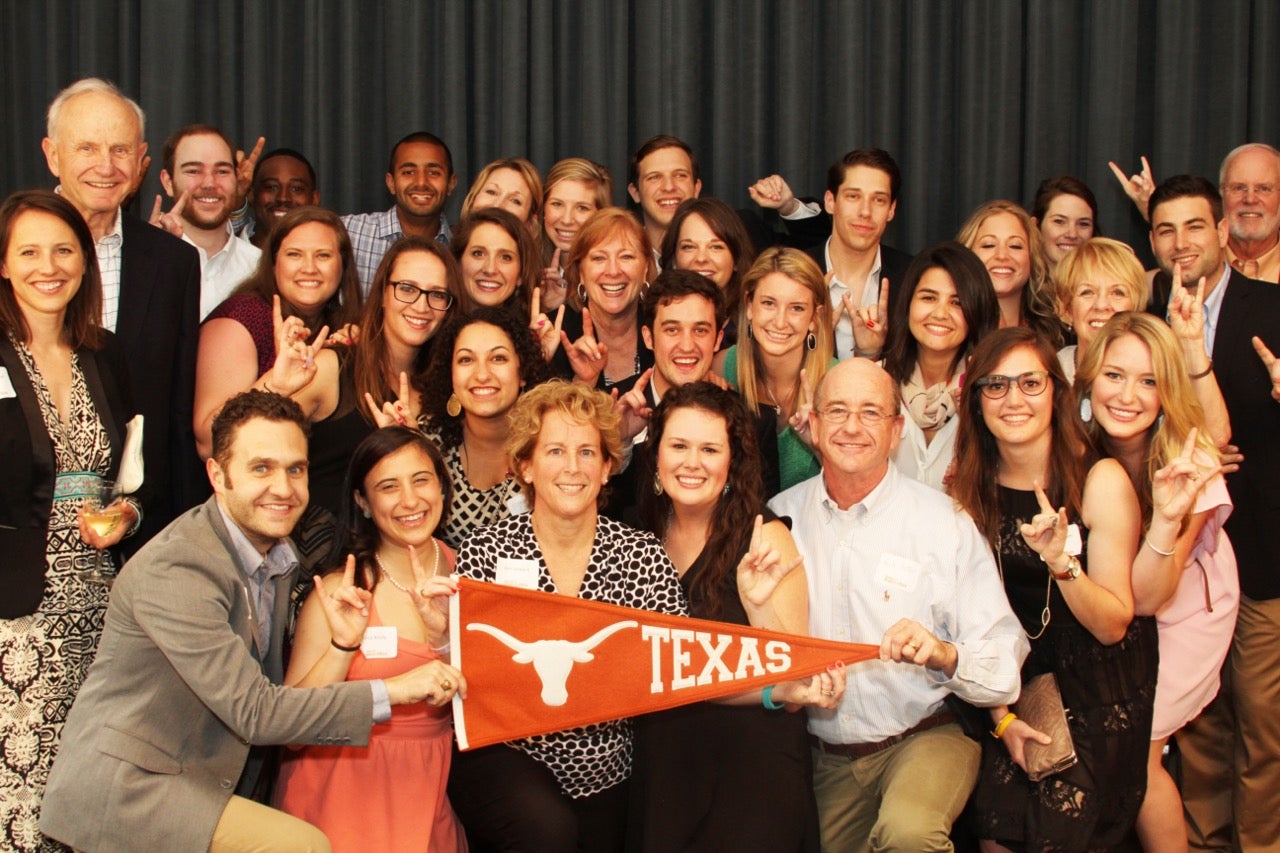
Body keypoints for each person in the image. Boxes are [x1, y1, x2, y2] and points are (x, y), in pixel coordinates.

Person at [39, 390, 462, 852]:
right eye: (261, 468)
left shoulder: (278, 556)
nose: (282, 488)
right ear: (218, 476)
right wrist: (399, 688)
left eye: (295, 469)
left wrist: (345, 647)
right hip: (133, 790)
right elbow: (257, 712)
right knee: (303, 845)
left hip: (208, 782)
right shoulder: (180, 567)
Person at [768, 357, 1027, 851]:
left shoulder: (942, 521)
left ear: (896, 431)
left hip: (925, 734)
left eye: (870, 413)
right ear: (815, 426)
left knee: (908, 834)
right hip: (823, 756)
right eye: (837, 411)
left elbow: (1003, 656)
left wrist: (942, 653)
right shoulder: (780, 520)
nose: (851, 427)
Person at [448, 380, 687, 852]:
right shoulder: (484, 553)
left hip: (610, 775)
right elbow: (468, 673)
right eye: (554, 451)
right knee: (547, 831)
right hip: (509, 761)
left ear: (606, 469)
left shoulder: (641, 554)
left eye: (587, 452)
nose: (572, 467)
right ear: (526, 466)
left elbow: (675, 663)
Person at [950, 327, 1155, 851]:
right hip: (1009, 686)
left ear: (1057, 394)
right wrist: (1000, 715)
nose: (1013, 399)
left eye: (1029, 383)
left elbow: (1113, 625)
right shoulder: (965, 488)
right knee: (995, 837)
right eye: (995, 385)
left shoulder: (1099, 480)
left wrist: (1061, 563)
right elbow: (961, 618)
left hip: (1095, 687)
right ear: (975, 401)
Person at [629, 382, 843, 851]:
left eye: (709, 449)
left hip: (750, 778)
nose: (692, 462)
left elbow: (794, 689)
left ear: (731, 464)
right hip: (662, 776)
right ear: (657, 457)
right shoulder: (633, 535)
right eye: (679, 446)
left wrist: (760, 606)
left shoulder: (765, 541)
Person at [0, 190, 146, 850]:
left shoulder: (105, 353)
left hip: (97, 606)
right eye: (28, 251)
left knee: (87, 787)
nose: (47, 266)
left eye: (63, 250)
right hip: (12, 615)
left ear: (85, 264)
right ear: (4, 264)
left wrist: (127, 514)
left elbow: (133, 473)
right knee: (20, 792)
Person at [1143, 175, 1280, 851]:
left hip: (1260, 552)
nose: (1180, 243)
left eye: (1194, 226)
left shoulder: (1274, 307)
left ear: (1222, 231)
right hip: (1174, 556)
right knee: (1192, 729)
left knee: (1262, 726)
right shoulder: (1138, 310)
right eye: (1165, 230)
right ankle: (1200, 840)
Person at [1074, 312, 1234, 852]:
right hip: (1118, 609)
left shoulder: (1191, 461)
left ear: (1168, 392)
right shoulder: (1074, 446)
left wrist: (1166, 519)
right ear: (1090, 377)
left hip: (1188, 609)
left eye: (1148, 381)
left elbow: (1146, 598)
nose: (1128, 395)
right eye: (1114, 375)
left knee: (1141, 746)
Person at [274, 427, 467, 852]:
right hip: (339, 790)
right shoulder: (341, 590)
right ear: (362, 501)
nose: (410, 501)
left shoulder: (471, 573)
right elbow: (290, 727)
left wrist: (445, 642)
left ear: (441, 485)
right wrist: (343, 648)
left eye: (421, 480)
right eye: (388, 487)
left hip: (426, 790)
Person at [41, 77, 203, 548]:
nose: (105, 167)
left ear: (141, 160)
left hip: (138, 531)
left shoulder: (173, 262)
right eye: (86, 148)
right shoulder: (11, 253)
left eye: (120, 150)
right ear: (53, 155)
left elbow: (177, 407)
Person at [262, 238, 462, 574]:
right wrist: (276, 387)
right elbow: (226, 437)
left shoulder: (445, 388)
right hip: (319, 567)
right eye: (407, 288)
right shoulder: (333, 367)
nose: (422, 305)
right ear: (383, 292)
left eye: (437, 294)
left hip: (401, 571)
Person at [194, 205, 362, 459]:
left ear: (343, 266)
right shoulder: (240, 320)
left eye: (323, 256)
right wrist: (274, 384)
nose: (309, 268)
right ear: (273, 264)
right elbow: (208, 442)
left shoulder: (342, 326)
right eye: (294, 254)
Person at [417, 306, 550, 549]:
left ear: (522, 373)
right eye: (466, 360)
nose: (482, 375)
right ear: (451, 375)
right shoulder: (426, 441)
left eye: (498, 358)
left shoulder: (548, 443)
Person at [881, 241, 998, 490]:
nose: (940, 313)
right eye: (929, 297)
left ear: (977, 310)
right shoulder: (878, 381)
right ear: (908, 303)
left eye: (956, 302)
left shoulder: (993, 392)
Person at [718, 246, 835, 490]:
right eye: (769, 303)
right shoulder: (720, 369)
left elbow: (861, 487)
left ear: (815, 317)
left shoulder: (839, 384)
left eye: (797, 308)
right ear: (749, 306)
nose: (780, 322)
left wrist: (818, 446)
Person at [154, 123, 263, 320]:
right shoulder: (143, 267)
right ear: (168, 182)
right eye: (193, 171)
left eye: (222, 171)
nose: (209, 183)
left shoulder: (261, 269)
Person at [342, 131, 458, 293]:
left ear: (451, 183)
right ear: (391, 183)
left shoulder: (461, 250)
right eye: (408, 172)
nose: (421, 182)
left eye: (433, 172)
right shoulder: (348, 232)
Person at [559, 207, 657, 394]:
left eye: (626, 256)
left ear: (645, 267)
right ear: (581, 272)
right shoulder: (556, 337)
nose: (613, 271)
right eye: (599, 258)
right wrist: (582, 382)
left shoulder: (664, 331)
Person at [957, 200, 1061, 348]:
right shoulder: (951, 332)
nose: (1002, 256)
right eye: (989, 245)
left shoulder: (1055, 337)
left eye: (1015, 246)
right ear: (967, 255)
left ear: (1032, 258)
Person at [658, 196, 757, 345]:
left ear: (736, 260)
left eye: (716, 247)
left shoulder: (756, 326)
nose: (701, 258)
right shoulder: (657, 320)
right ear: (674, 260)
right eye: (689, 247)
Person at [1052, 236, 1148, 382]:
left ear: (1136, 307)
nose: (1101, 305)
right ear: (1066, 309)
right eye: (1087, 292)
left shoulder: (1154, 372)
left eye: (1117, 293)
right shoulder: (1048, 372)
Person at [539, 157, 614, 311]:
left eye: (582, 208)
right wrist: (545, 308)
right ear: (543, 208)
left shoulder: (612, 276)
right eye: (557, 204)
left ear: (600, 214)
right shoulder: (527, 271)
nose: (567, 220)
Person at [450, 206, 540, 315]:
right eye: (478, 254)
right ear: (458, 262)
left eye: (505, 257)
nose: (490, 269)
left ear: (520, 274)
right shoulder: (431, 326)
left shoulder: (533, 330)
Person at [627, 134, 702, 260]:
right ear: (635, 192)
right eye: (654, 177)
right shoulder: (618, 266)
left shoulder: (716, 263)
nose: (669, 187)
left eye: (680, 175)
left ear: (696, 188)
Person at [246, 147, 320, 248]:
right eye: (271, 187)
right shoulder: (225, 252)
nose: (283, 198)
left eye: (296, 188)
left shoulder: (335, 250)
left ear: (314, 199)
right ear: (251, 195)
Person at [1029, 175, 1098, 276]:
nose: (1072, 234)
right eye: (1059, 221)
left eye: (1083, 224)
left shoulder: (1109, 286)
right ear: (1035, 226)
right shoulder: (1015, 287)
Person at [460, 156, 542, 233]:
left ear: (530, 224)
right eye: (491, 192)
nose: (497, 206)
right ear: (473, 199)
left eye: (515, 201)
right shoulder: (448, 246)